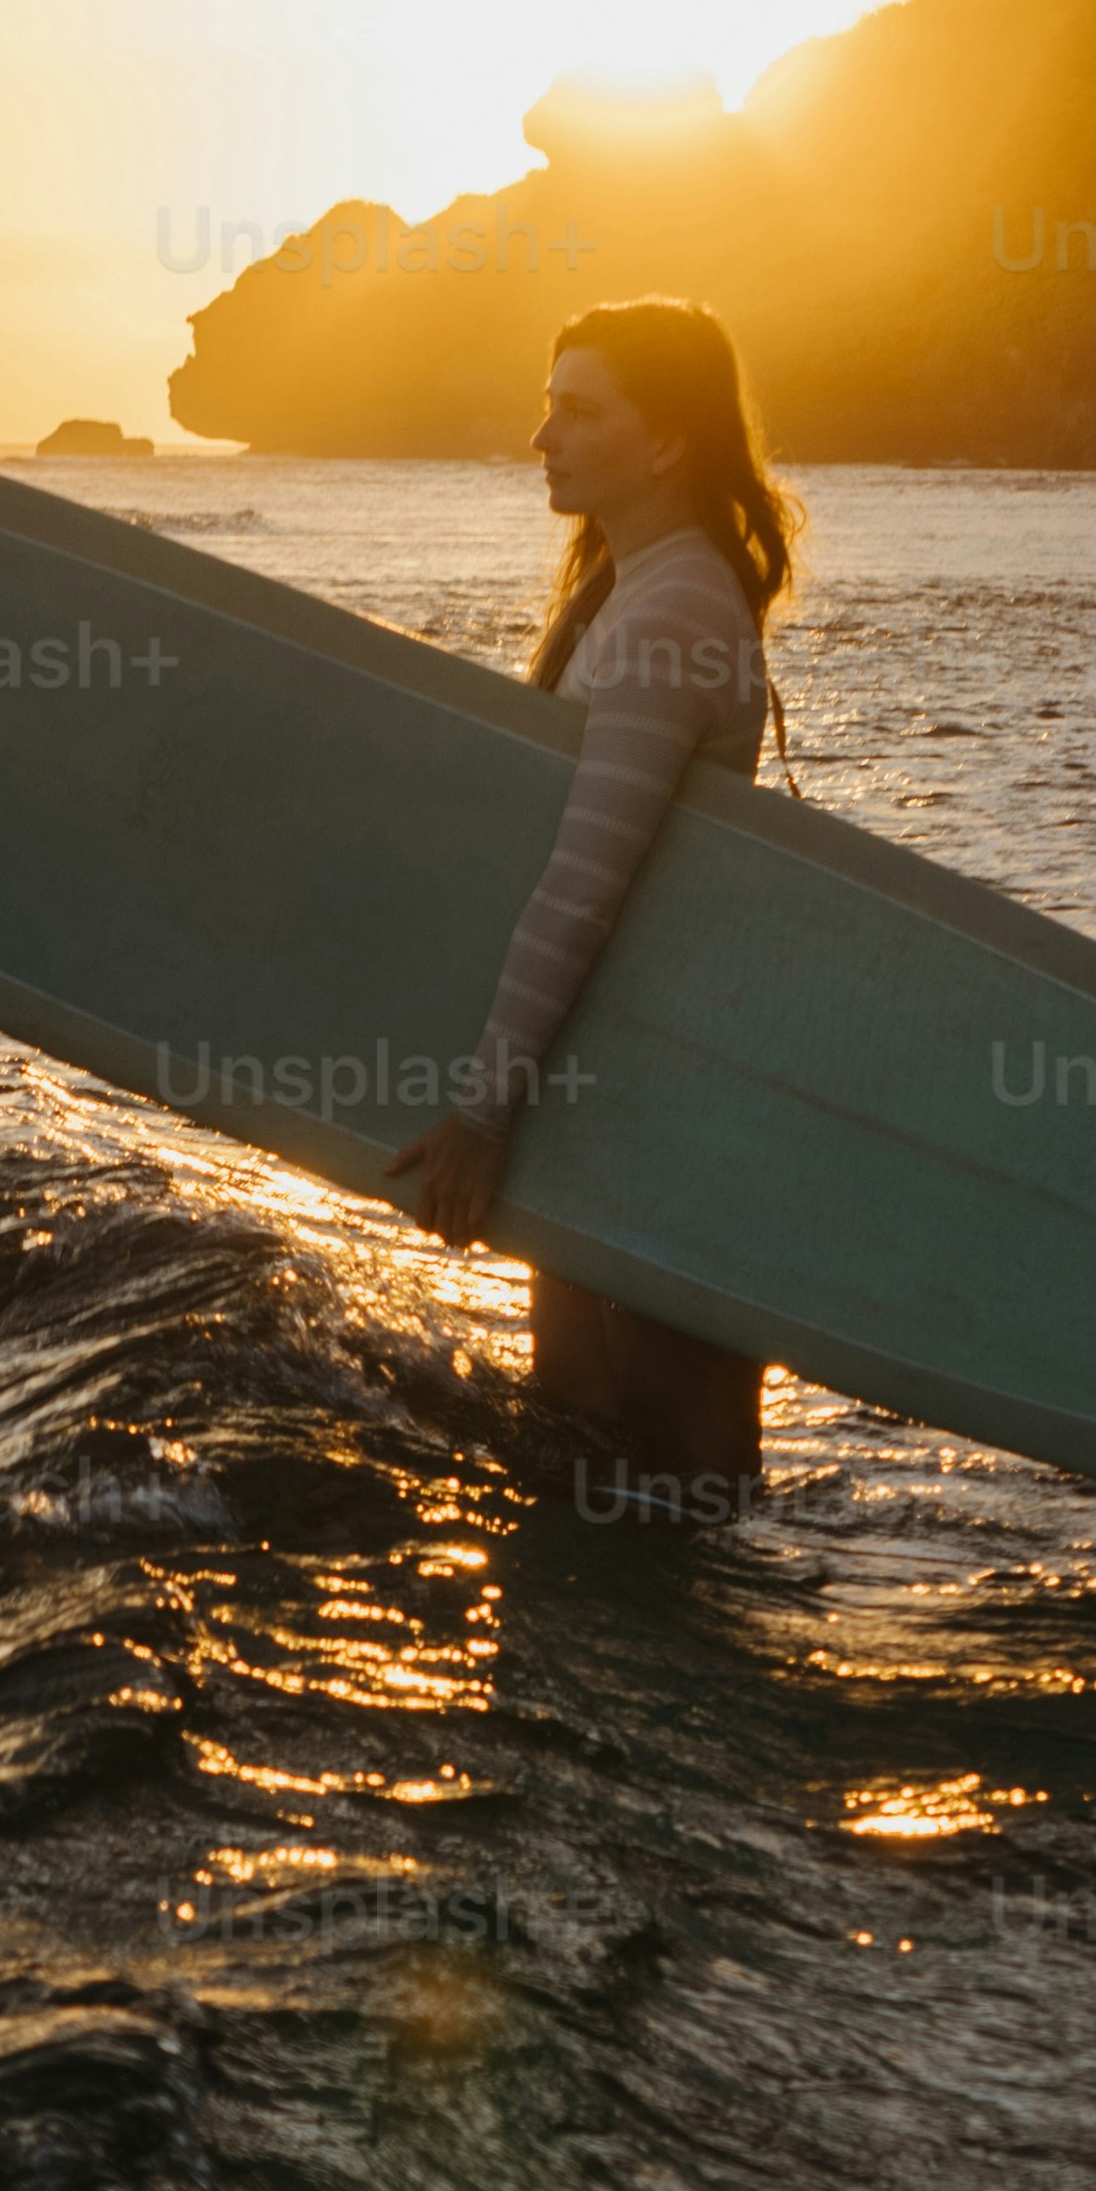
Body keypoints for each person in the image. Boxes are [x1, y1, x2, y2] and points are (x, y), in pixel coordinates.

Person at [388, 297, 800, 1503]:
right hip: (613, 1073)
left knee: (658, 1437)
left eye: (581, 409)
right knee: (586, 1426)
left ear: (667, 441)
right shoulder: (635, 589)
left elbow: (584, 884)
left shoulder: (668, 614)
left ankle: (679, 1677)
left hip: (652, 1094)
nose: (543, 435)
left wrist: (482, 1110)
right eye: (547, 402)